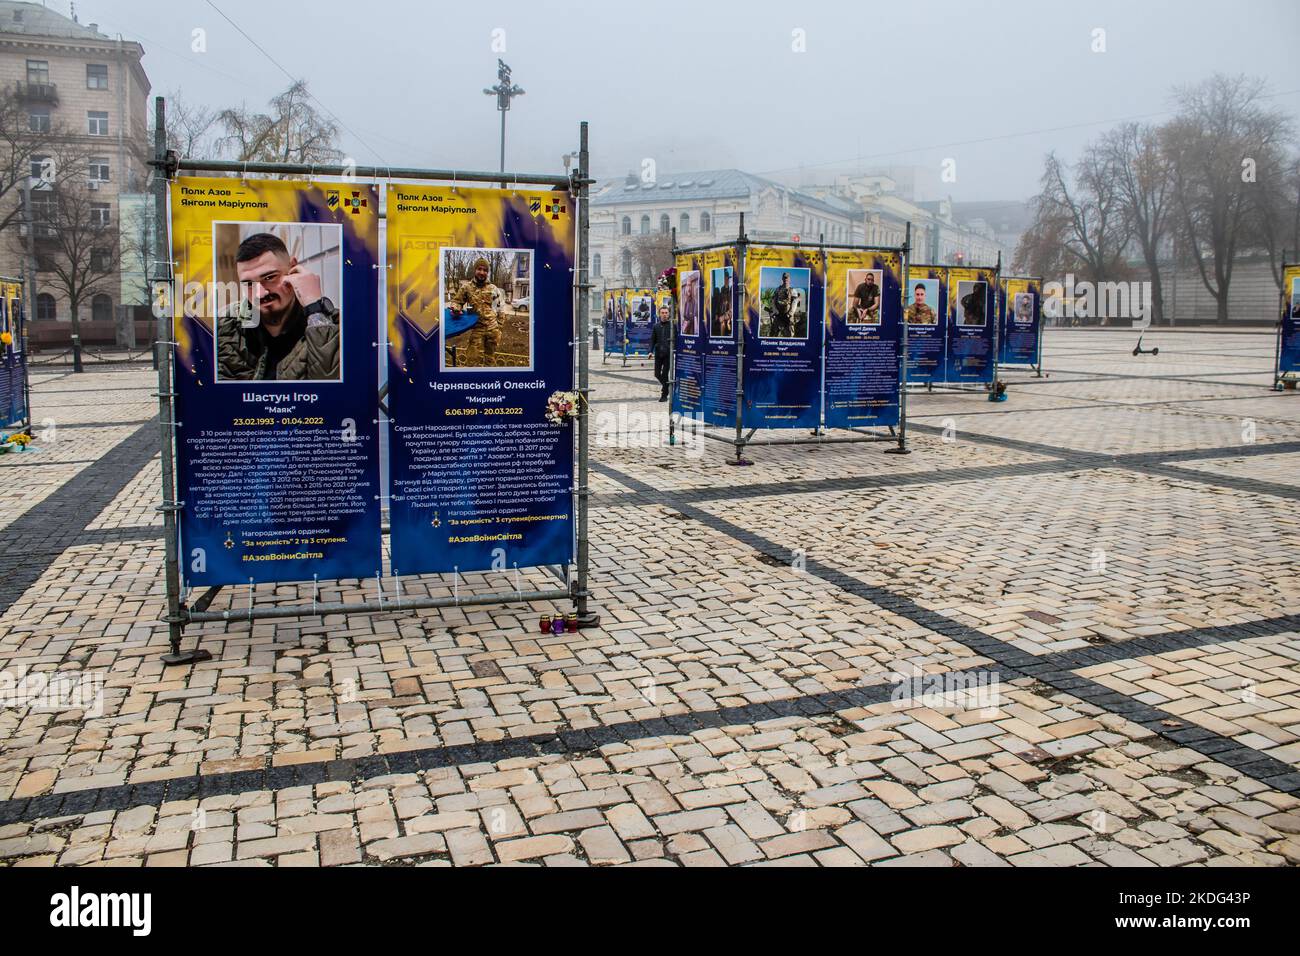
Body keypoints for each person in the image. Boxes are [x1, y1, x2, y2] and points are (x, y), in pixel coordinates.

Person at [218, 232, 339, 381]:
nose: (260, 294)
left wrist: (314, 309)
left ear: (293, 268)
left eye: (269, 278)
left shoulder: (336, 326)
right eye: (249, 284)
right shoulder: (225, 326)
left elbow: (330, 391)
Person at [450, 256, 505, 366]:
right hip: (477, 328)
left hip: (493, 329)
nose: (482, 272)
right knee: (472, 359)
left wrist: (499, 328)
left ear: (487, 273)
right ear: (475, 270)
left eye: (485, 270)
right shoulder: (467, 287)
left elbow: (501, 308)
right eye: (479, 269)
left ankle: (489, 380)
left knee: (490, 359)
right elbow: (457, 301)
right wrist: (456, 308)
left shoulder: (493, 288)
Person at [650, 305, 673, 401]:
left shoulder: (672, 326)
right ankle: (667, 387)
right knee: (656, 374)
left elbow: (676, 340)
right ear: (659, 314)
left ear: (669, 314)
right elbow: (653, 340)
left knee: (664, 374)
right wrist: (650, 351)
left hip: (668, 354)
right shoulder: (656, 326)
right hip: (658, 354)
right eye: (662, 313)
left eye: (666, 313)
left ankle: (664, 395)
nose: (664, 315)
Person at [769, 272, 794, 337]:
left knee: (789, 335)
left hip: (787, 316)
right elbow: (773, 300)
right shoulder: (777, 289)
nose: (786, 279)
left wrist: (790, 313)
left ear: (789, 279)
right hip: (778, 315)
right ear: (782, 279)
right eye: (784, 278)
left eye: (787, 278)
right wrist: (775, 310)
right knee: (774, 334)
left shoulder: (793, 290)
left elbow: (795, 302)